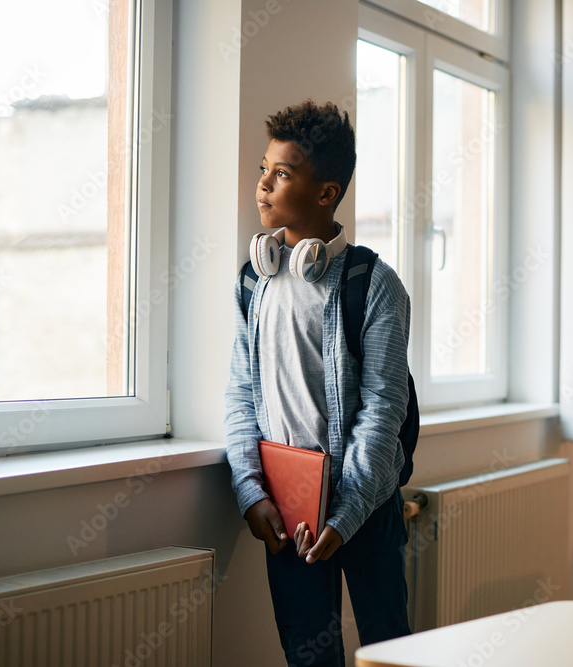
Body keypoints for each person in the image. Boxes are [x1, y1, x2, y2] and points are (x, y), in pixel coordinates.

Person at [224, 99, 412, 667]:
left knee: (389, 650)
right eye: (264, 169)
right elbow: (239, 397)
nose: (263, 185)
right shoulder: (253, 283)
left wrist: (348, 510)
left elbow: (383, 410)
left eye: (282, 173)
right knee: (308, 656)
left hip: (367, 502)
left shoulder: (373, 284)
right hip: (289, 506)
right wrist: (250, 492)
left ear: (327, 192)